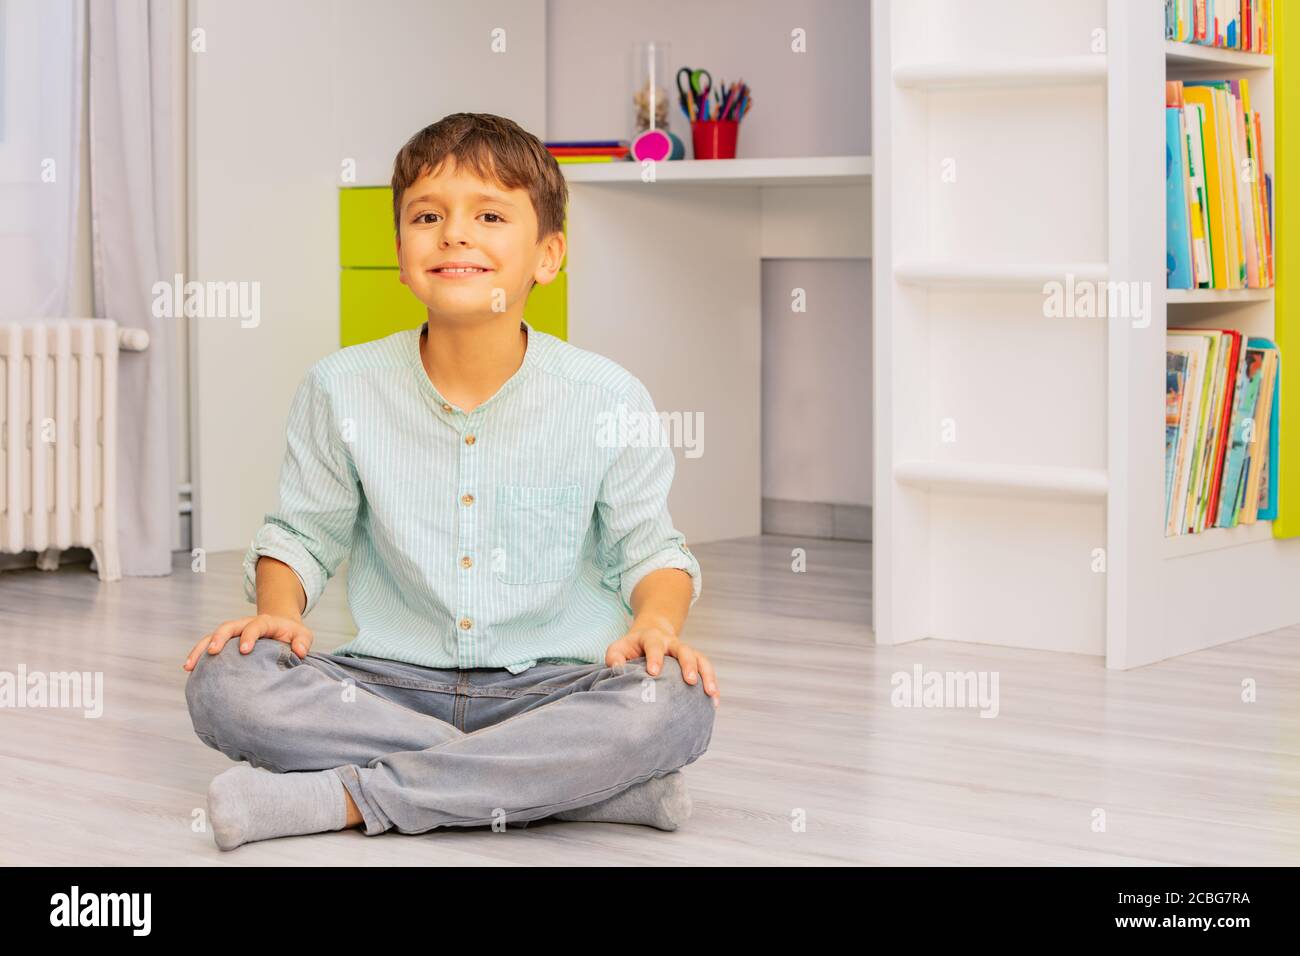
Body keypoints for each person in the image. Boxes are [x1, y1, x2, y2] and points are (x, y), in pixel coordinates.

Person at [181, 113, 719, 851]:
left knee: (675, 703)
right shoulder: (341, 388)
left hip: (552, 686)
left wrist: (655, 626)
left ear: (549, 255)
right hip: (386, 683)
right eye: (427, 216)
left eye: (490, 215)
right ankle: (574, 786)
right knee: (224, 681)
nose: (454, 234)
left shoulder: (607, 396)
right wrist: (278, 612)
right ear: (401, 255)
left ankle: (347, 797)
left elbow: (650, 549)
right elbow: (302, 534)